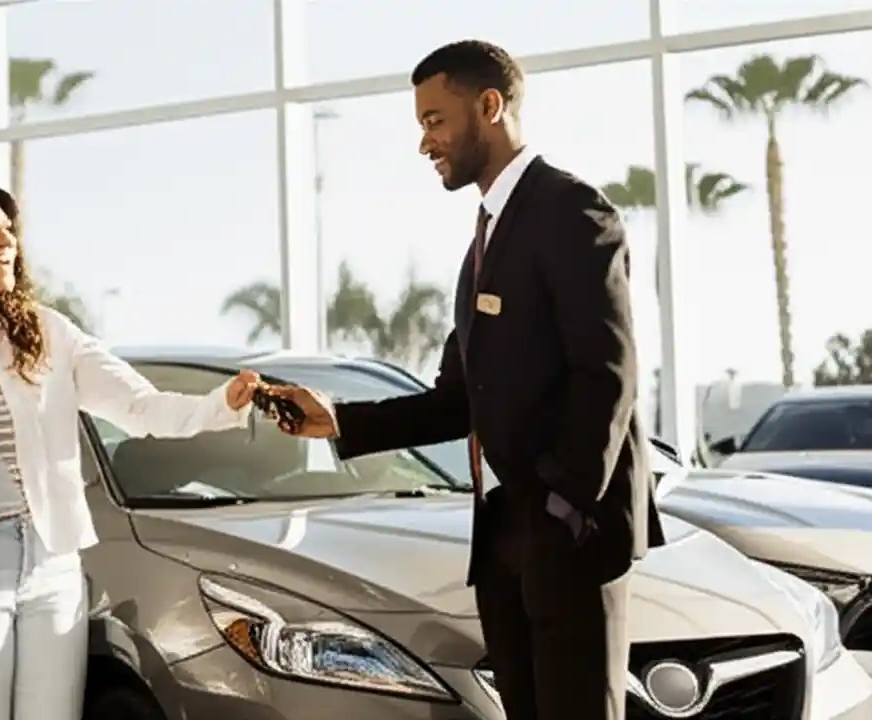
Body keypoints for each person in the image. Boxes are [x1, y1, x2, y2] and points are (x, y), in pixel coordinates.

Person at [268, 40, 664, 720]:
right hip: (503, 533)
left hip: (568, 534)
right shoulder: (484, 240)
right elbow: (458, 399)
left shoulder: (573, 212)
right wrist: (339, 417)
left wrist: (563, 507)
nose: (425, 143)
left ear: (490, 105)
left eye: (434, 120)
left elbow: (607, 374)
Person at [0, 182, 259, 720]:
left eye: (8, 228)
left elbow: (140, 405)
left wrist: (218, 406)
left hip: (53, 563)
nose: (6, 240)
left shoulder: (47, 333)